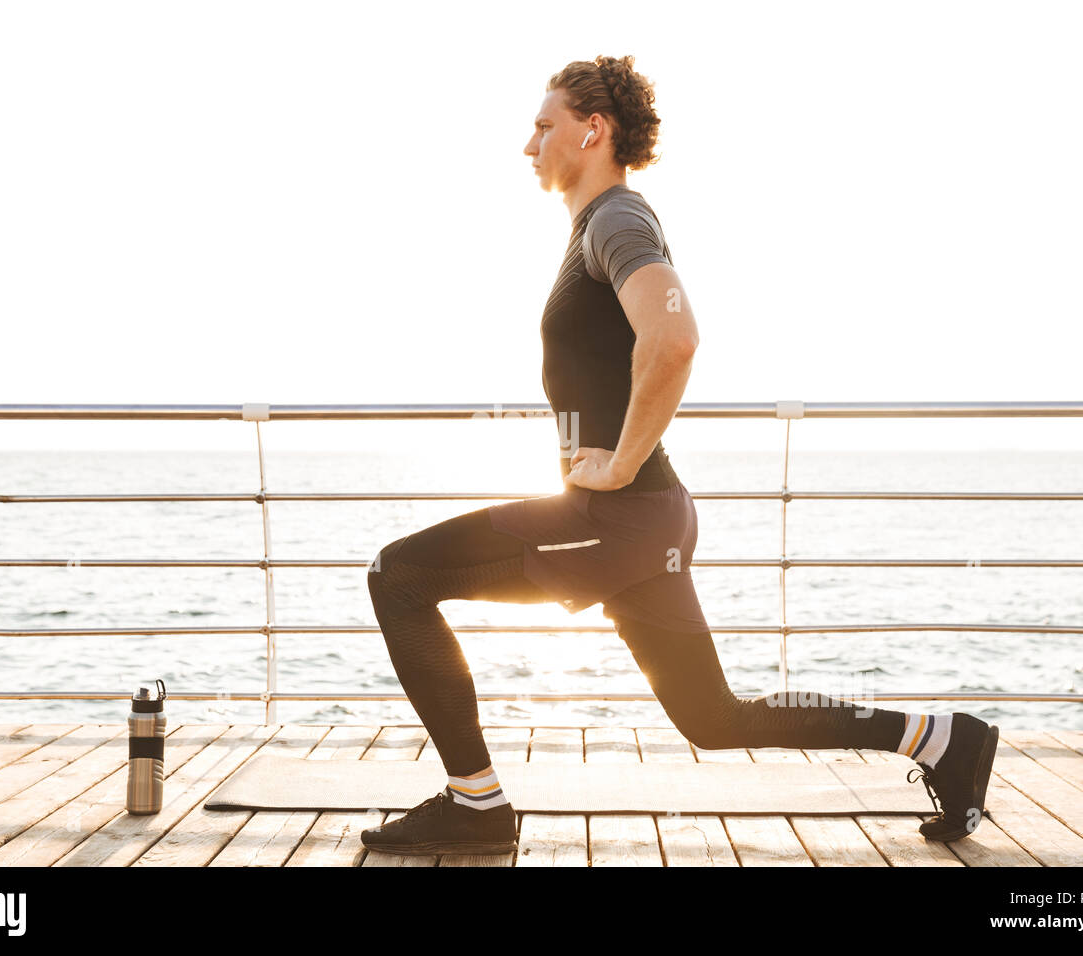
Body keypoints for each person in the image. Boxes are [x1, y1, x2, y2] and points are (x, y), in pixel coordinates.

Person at [361, 55, 998, 857]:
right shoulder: (599, 227)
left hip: (614, 514)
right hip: (643, 518)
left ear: (593, 131)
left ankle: (477, 807)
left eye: (543, 125)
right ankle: (941, 739)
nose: (528, 144)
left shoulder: (616, 221)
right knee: (711, 716)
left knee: (401, 576)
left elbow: (676, 337)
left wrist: (620, 464)